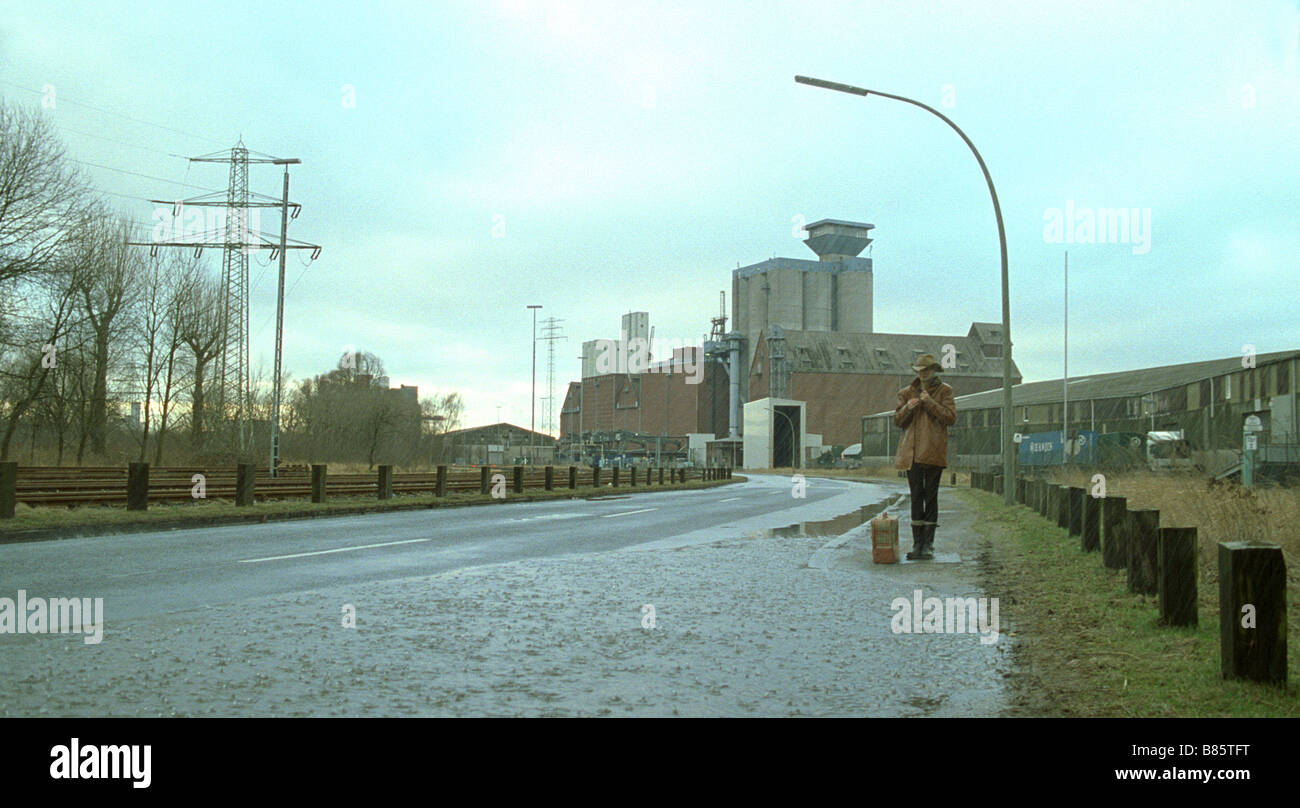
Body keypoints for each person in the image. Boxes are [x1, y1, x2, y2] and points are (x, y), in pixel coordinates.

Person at [894, 353, 956, 560]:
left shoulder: (945, 391)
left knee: (931, 497)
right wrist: (907, 409)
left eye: (927, 370)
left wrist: (929, 403)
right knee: (915, 497)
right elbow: (897, 421)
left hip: (933, 451)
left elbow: (950, 418)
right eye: (920, 370)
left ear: (934, 370)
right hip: (911, 454)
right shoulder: (906, 393)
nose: (924, 374)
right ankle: (916, 543)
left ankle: (928, 544)